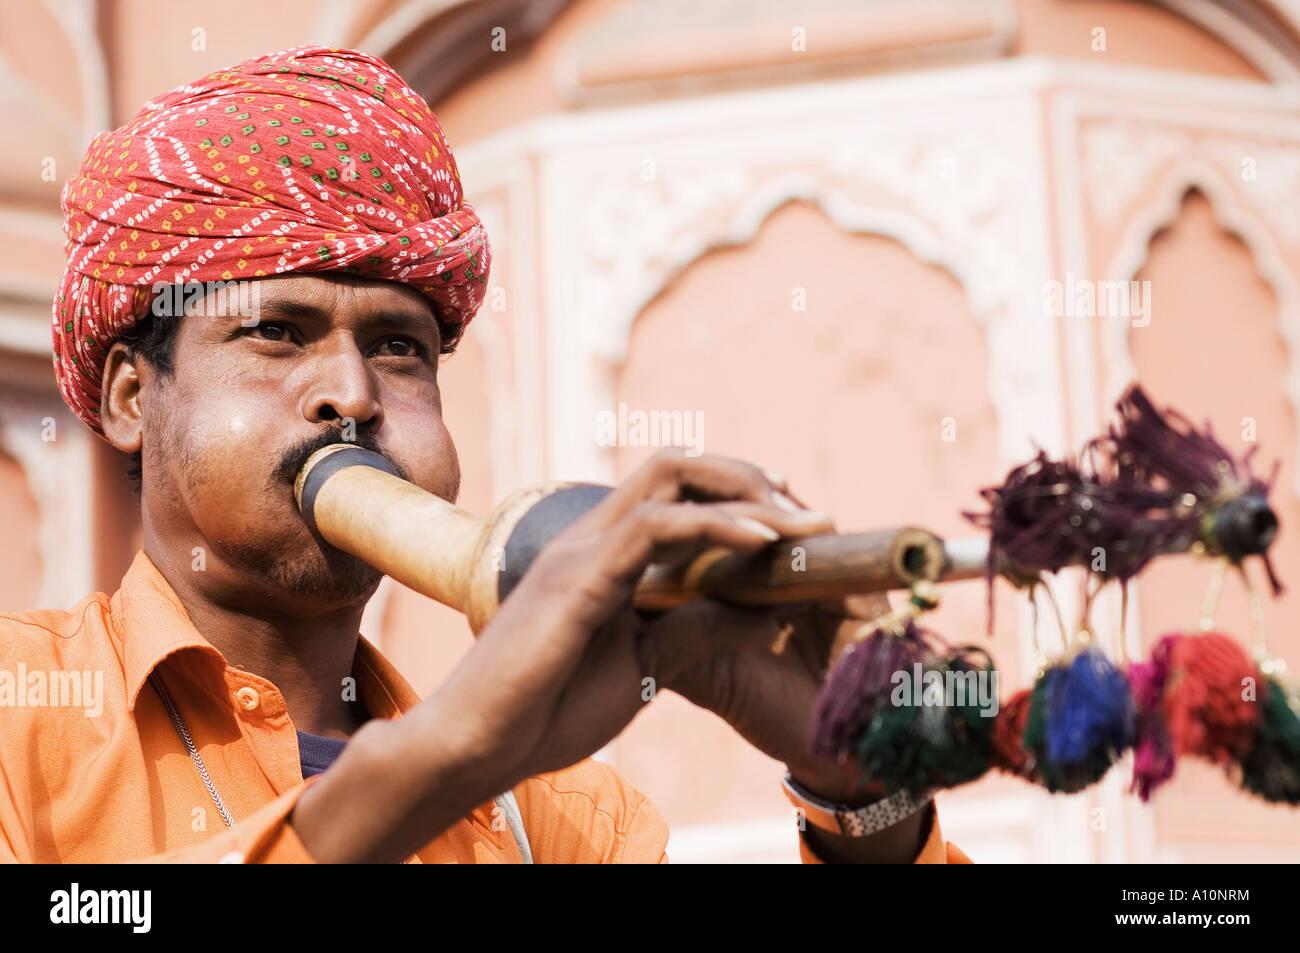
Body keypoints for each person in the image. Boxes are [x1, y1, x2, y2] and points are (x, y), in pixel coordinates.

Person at [1, 46, 970, 863]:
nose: (352, 392)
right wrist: (443, 755)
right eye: (278, 333)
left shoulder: (566, 822)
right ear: (132, 397)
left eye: (398, 348)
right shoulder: (23, 713)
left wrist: (866, 804)